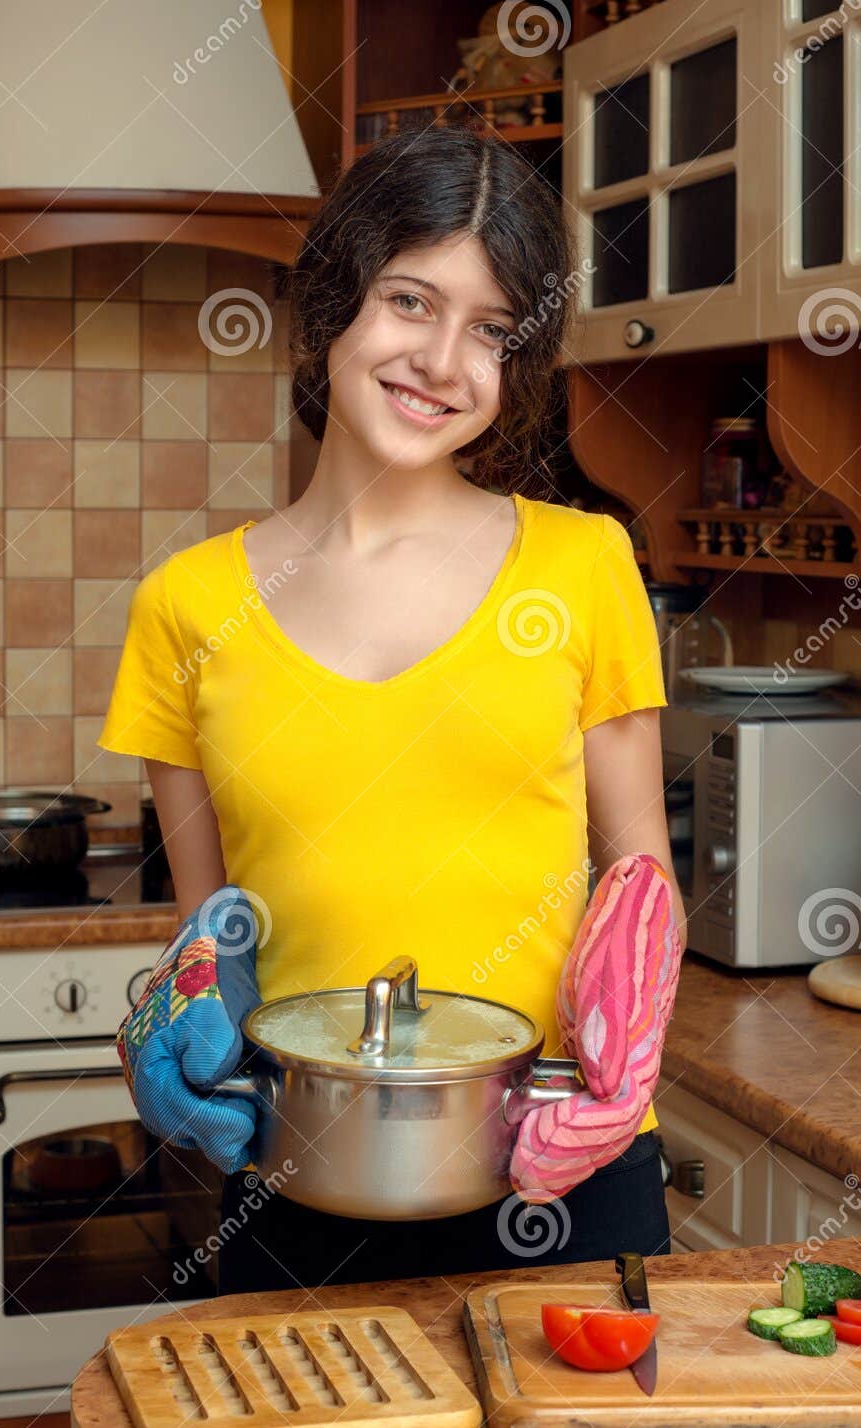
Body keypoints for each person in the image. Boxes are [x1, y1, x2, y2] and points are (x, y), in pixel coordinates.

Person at [99, 124, 687, 1297]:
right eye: (409, 301)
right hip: (300, 1177)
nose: (442, 360)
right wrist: (169, 1018)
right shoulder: (188, 606)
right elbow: (214, 935)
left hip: (556, 1175)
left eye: (490, 330)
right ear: (330, 305)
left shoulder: (580, 567)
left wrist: (622, 1065)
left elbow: (637, 887)